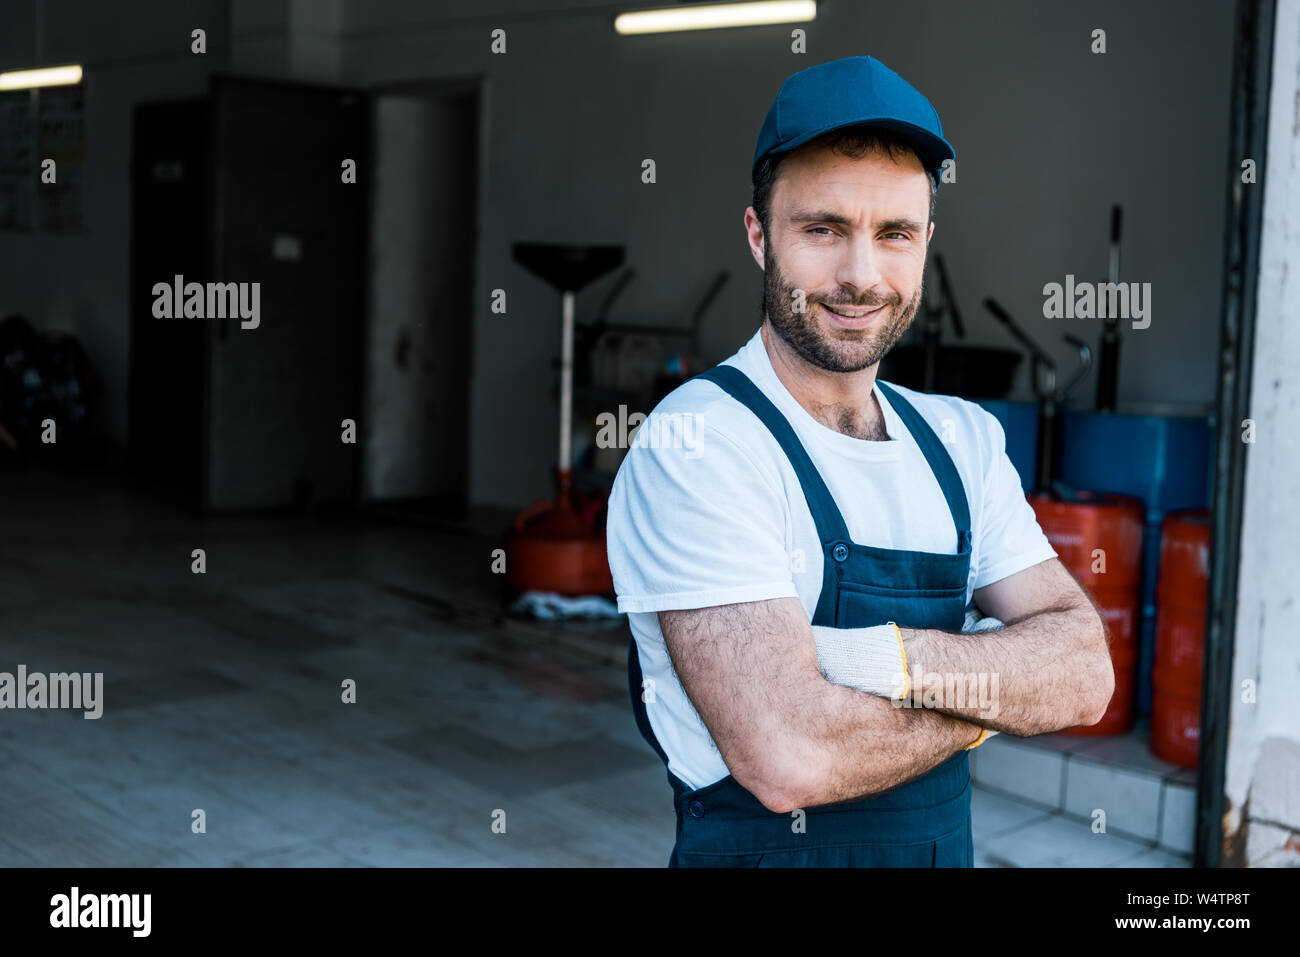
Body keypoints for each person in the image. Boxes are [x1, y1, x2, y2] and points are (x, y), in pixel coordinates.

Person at [605, 55, 1113, 868]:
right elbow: (788, 757)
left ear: (926, 244)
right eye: (823, 229)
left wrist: (871, 662)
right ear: (757, 234)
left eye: (894, 234)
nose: (860, 277)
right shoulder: (698, 442)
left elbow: (1083, 674)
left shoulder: (961, 438)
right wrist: (996, 683)